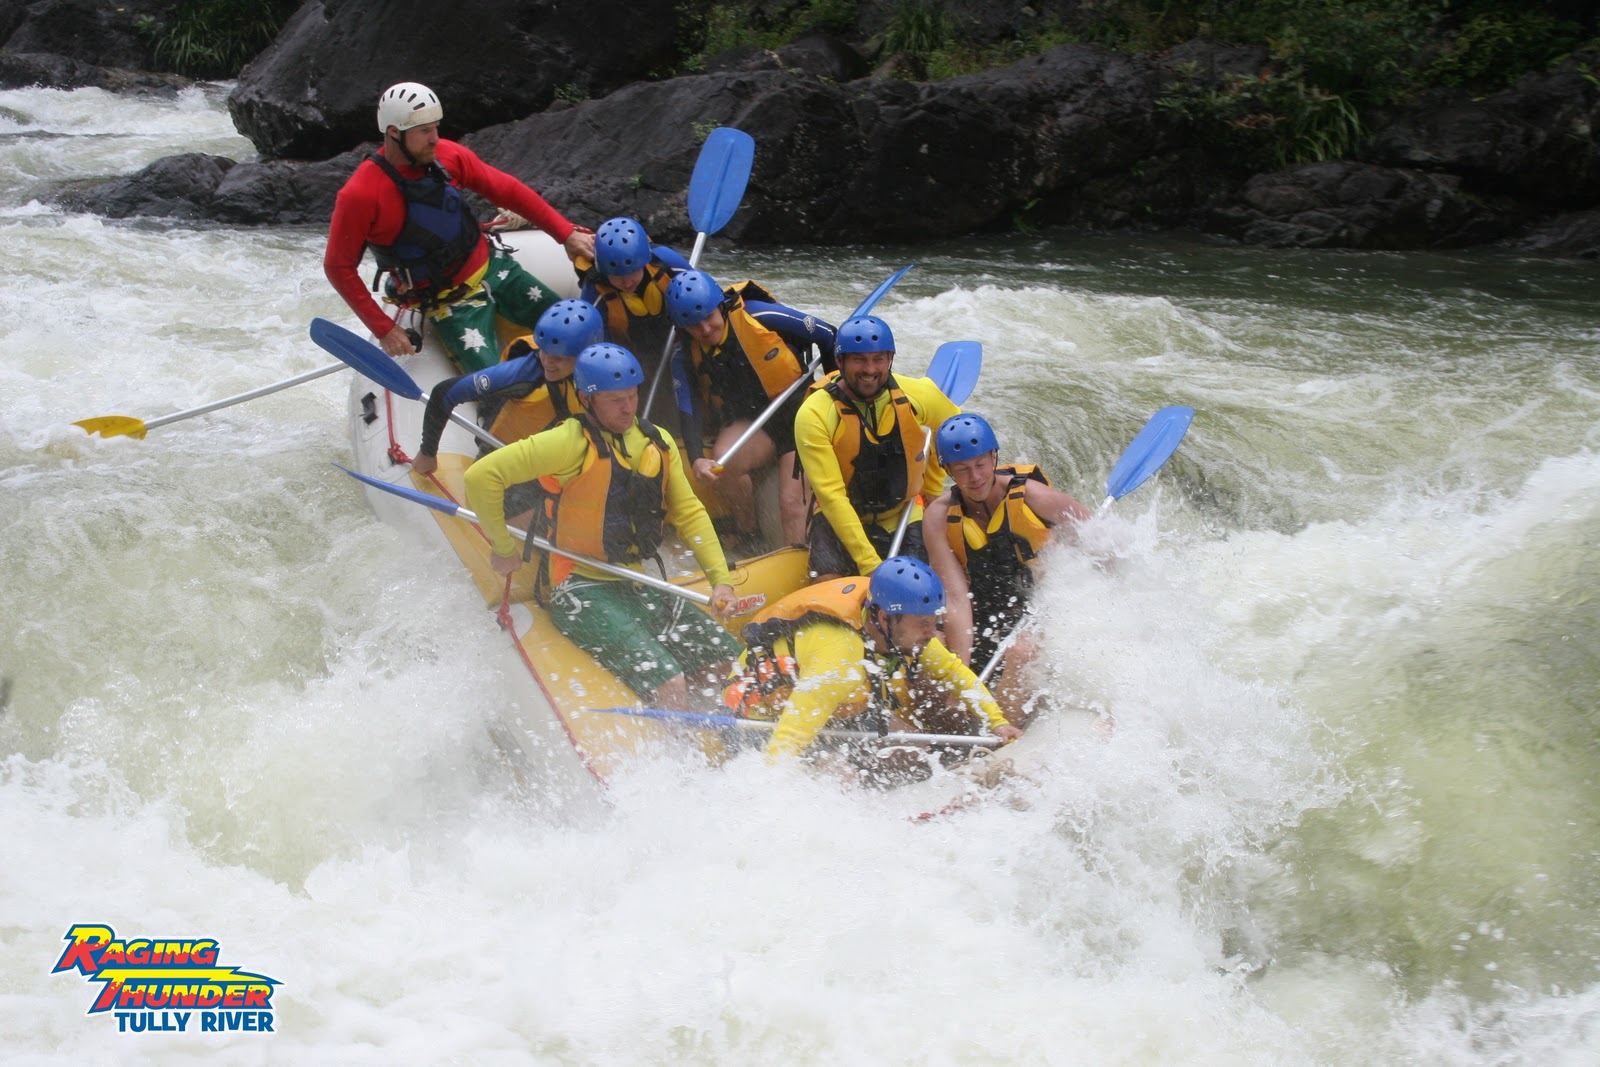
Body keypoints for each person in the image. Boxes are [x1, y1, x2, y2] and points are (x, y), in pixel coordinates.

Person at [463, 343, 740, 712]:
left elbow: (689, 512)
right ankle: (683, 752)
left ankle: (719, 730)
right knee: (669, 680)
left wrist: (720, 579)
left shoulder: (657, 440)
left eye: (632, 396)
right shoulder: (567, 442)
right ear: (586, 399)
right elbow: (481, 476)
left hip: (633, 580)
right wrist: (502, 547)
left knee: (726, 658)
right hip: (577, 583)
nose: (628, 408)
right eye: (614, 400)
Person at [323, 82, 596, 373]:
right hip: (448, 301)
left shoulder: (448, 155)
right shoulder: (360, 195)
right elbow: (338, 267)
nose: (434, 138)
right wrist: (384, 329)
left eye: (436, 128)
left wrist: (565, 234)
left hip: (496, 269)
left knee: (577, 335)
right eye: (424, 131)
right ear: (394, 133)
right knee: (497, 382)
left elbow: (507, 191)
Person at [724, 556, 1022, 771]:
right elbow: (789, 738)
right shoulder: (839, 661)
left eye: (934, 622)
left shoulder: (899, 626)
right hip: (756, 720)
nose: (932, 634)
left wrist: (998, 722)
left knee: (913, 751)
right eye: (923, 625)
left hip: (829, 706)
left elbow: (956, 673)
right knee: (839, 774)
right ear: (884, 619)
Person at [923, 413, 1090, 723]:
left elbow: (1100, 537)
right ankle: (952, 731)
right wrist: (961, 675)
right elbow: (956, 599)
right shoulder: (938, 517)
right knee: (931, 660)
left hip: (1045, 606)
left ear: (994, 457)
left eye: (981, 465)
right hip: (987, 612)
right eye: (962, 469)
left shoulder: (1034, 497)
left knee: (1020, 653)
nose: (975, 477)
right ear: (948, 471)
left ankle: (1001, 739)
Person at [666, 268, 838, 549]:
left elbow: (829, 335)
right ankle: (748, 533)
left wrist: (835, 397)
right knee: (722, 462)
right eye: (695, 326)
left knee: (791, 504)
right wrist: (697, 457)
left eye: (708, 318)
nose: (706, 330)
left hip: (799, 415)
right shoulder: (684, 355)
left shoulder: (759, 316)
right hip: (753, 422)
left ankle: (799, 555)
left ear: (720, 307)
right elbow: (689, 409)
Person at [793, 314, 962, 580]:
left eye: (878, 359)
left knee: (915, 591)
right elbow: (832, 496)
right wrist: (870, 564)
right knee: (828, 587)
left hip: (904, 513)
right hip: (839, 518)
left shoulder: (918, 394)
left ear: (890, 360)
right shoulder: (814, 414)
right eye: (859, 359)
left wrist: (931, 487)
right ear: (840, 361)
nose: (870, 369)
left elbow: (953, 428)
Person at [412, 298, 601, 524]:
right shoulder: (523, 373)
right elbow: (445, 392)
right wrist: (428, 451)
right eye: (544, 351)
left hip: (559, 466)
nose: (548, 362)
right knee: (559, 520)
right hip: (508, 471)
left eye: (559, 357)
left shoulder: (602, 373)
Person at [578, 216, 691, 376]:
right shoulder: (595, 290)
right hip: (627, 360)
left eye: (632, 272)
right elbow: (592, 347)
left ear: (644, 260)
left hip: (677, 347)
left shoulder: (666, 262)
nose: (626, 282)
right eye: (616, 276)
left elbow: (707, 302)